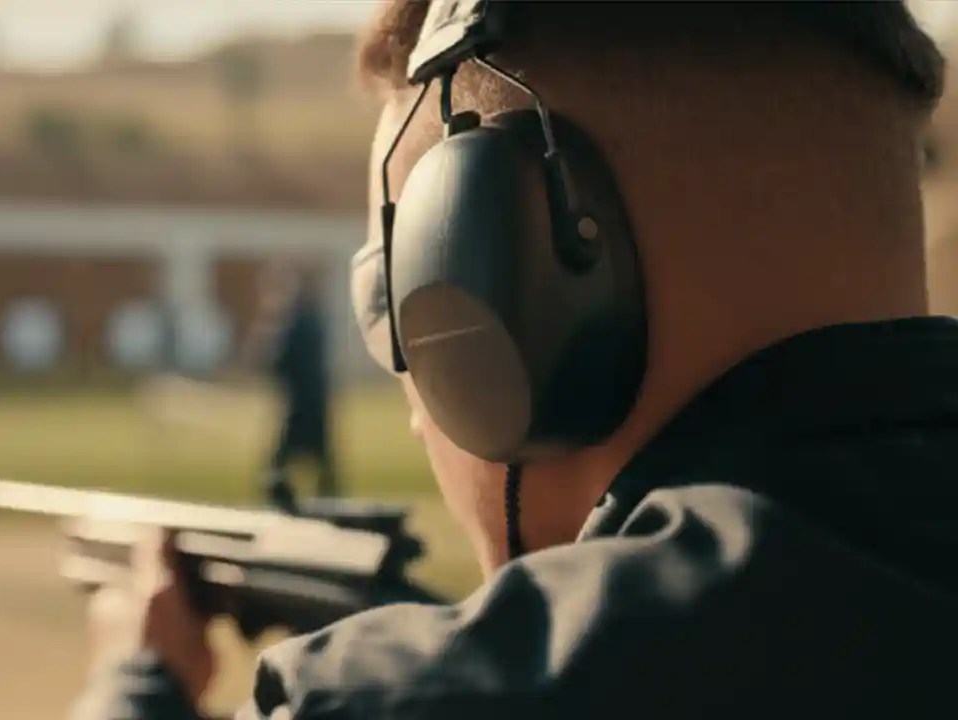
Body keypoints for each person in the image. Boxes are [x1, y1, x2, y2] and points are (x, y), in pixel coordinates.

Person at [72, 3, 955, 718]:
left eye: (398, 309)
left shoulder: (382, 702)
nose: (415, 410)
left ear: (505, 301)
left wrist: (134, 688)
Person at [243, 261, 338, 510]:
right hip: (314, 400)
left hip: (301, 403)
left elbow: (283, 361)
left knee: (281, 461)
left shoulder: (294, 322)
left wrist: (264, 358)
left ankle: (283, 498)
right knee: (320, 459)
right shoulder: (309, 317)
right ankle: (327, 500)